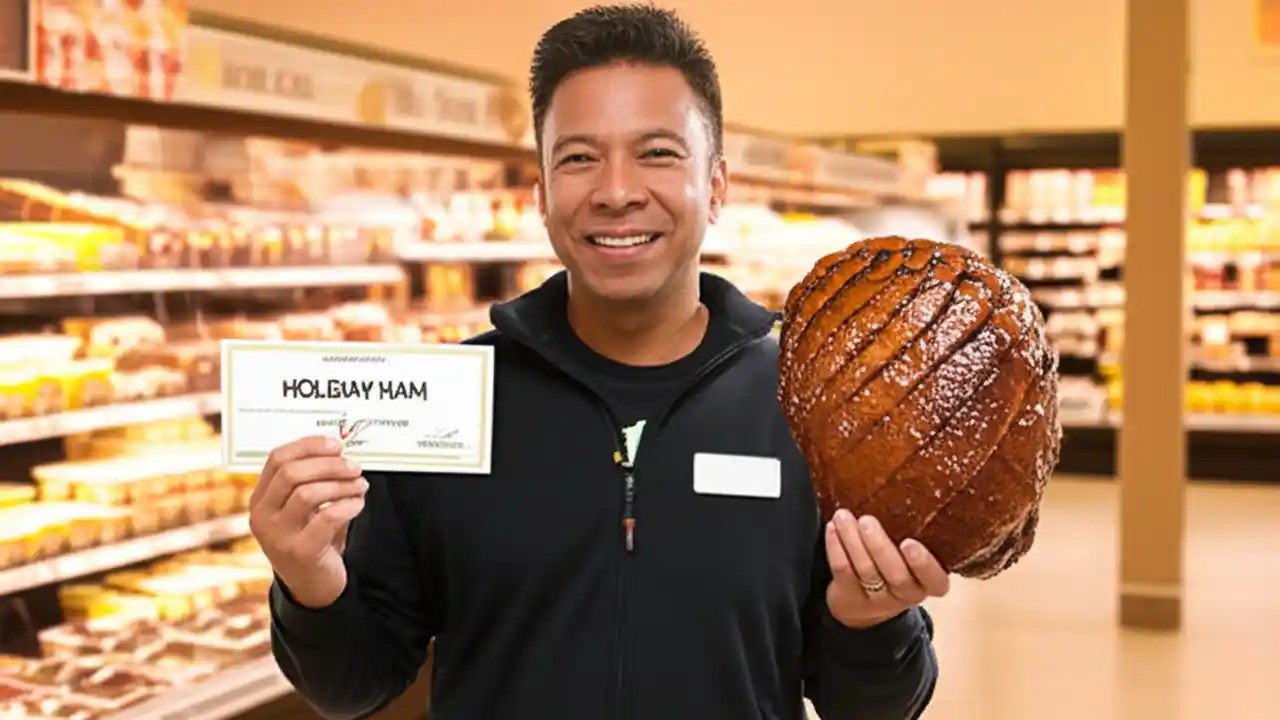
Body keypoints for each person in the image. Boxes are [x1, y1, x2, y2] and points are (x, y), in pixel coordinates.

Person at [253, 5, 948, 719]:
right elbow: (354, 685)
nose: (617, 193)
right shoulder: (456, 406)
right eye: (579, 158)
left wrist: (872, 623)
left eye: (658, 153)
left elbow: (871, 707)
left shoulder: (811, 412)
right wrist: (311, 583)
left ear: (716, 186)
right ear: (541, 195)